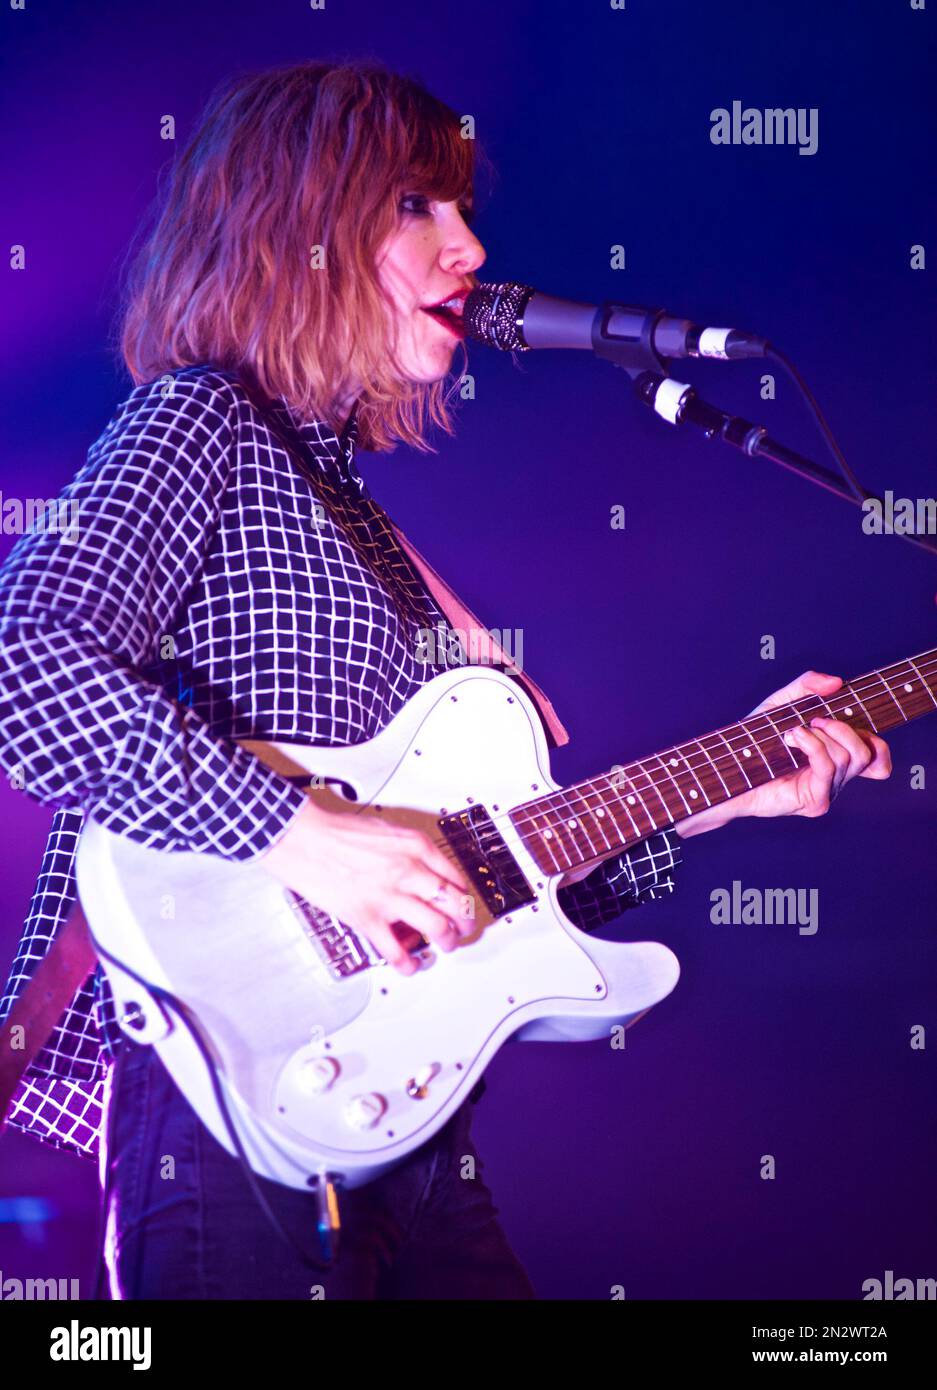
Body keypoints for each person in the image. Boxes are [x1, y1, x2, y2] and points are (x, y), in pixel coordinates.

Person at [0, 59, 892, 1301]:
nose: (468, 245)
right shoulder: (196, 422)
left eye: (463, 209)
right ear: (295, 226)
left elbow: (487, 868)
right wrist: (299, 833)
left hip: (408, 1124)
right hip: (226, 1106)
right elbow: (27, 667)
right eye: (417, 205)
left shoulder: (369, 532)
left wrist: (723, 789)